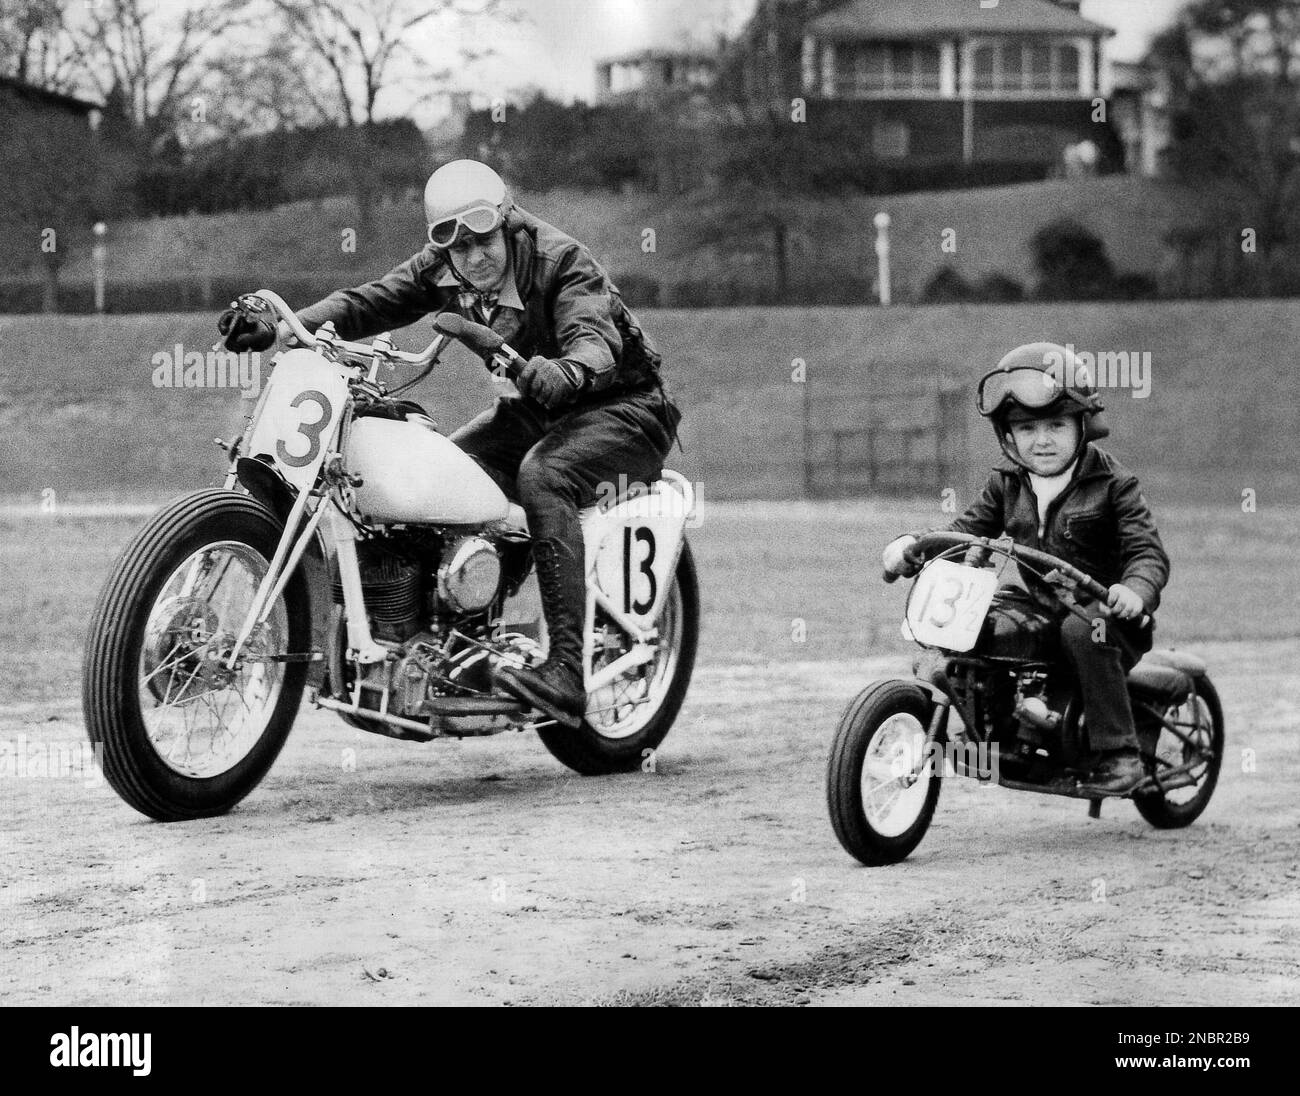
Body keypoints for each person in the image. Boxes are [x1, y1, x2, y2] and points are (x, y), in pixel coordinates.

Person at [218, 159, 680, 729]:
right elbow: (368, 302)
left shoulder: (561, 262)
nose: (474, 257)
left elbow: (593, 336)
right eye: (458, 248)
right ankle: (461, 643)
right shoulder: (443, 268)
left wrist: (568, 370)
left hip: (624, 409)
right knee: (449, 483)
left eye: (484, 240)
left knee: (545, 476)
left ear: (507, 225)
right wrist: (285, 327)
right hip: (536, 412)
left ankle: (565, 672)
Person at [882, 343, 1170, 794]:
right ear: (1008, 434)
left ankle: (1120, 754)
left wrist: (1134, 590)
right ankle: (994, 732)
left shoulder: (1114, 484)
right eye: (1027, 427)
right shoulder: (1007, 481)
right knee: (982, 616)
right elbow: (965, 530)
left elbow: (1147, 552)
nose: (1042, 439)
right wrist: (915, 547)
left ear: (1083, 424)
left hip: (1107, 616)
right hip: (1040, 602)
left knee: (1082, 632)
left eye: (1056, 424)